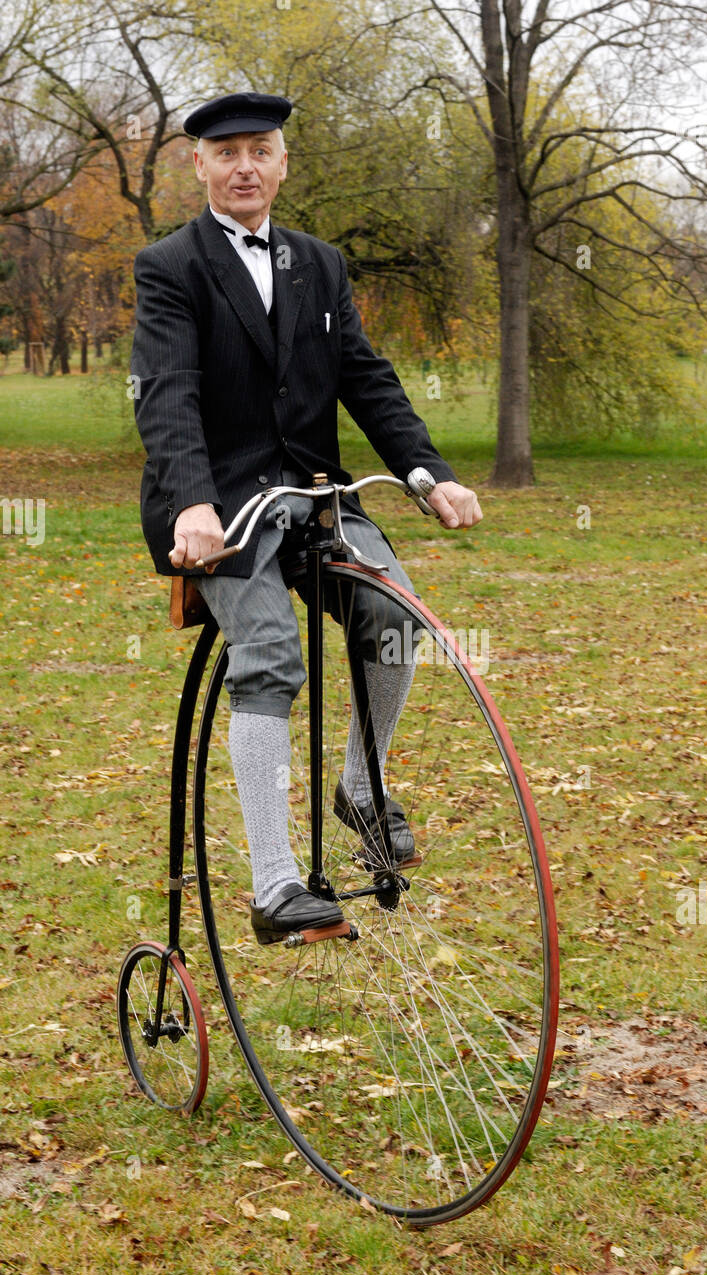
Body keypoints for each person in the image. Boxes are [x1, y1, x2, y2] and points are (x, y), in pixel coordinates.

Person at [131, 91, 482, 943]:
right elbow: (168, 392)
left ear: (284, 163)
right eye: (227, 153)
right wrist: (193, 503)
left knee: (398, 621)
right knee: (270, 658)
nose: (245, 166)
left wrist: (425, 471)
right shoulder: (170, 266)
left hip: (316, 493)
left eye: (261, 150)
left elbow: (365, 376)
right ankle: (275, 883)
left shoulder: (319, 263)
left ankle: (361, 789)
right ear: (200, 166)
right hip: (224, 506)